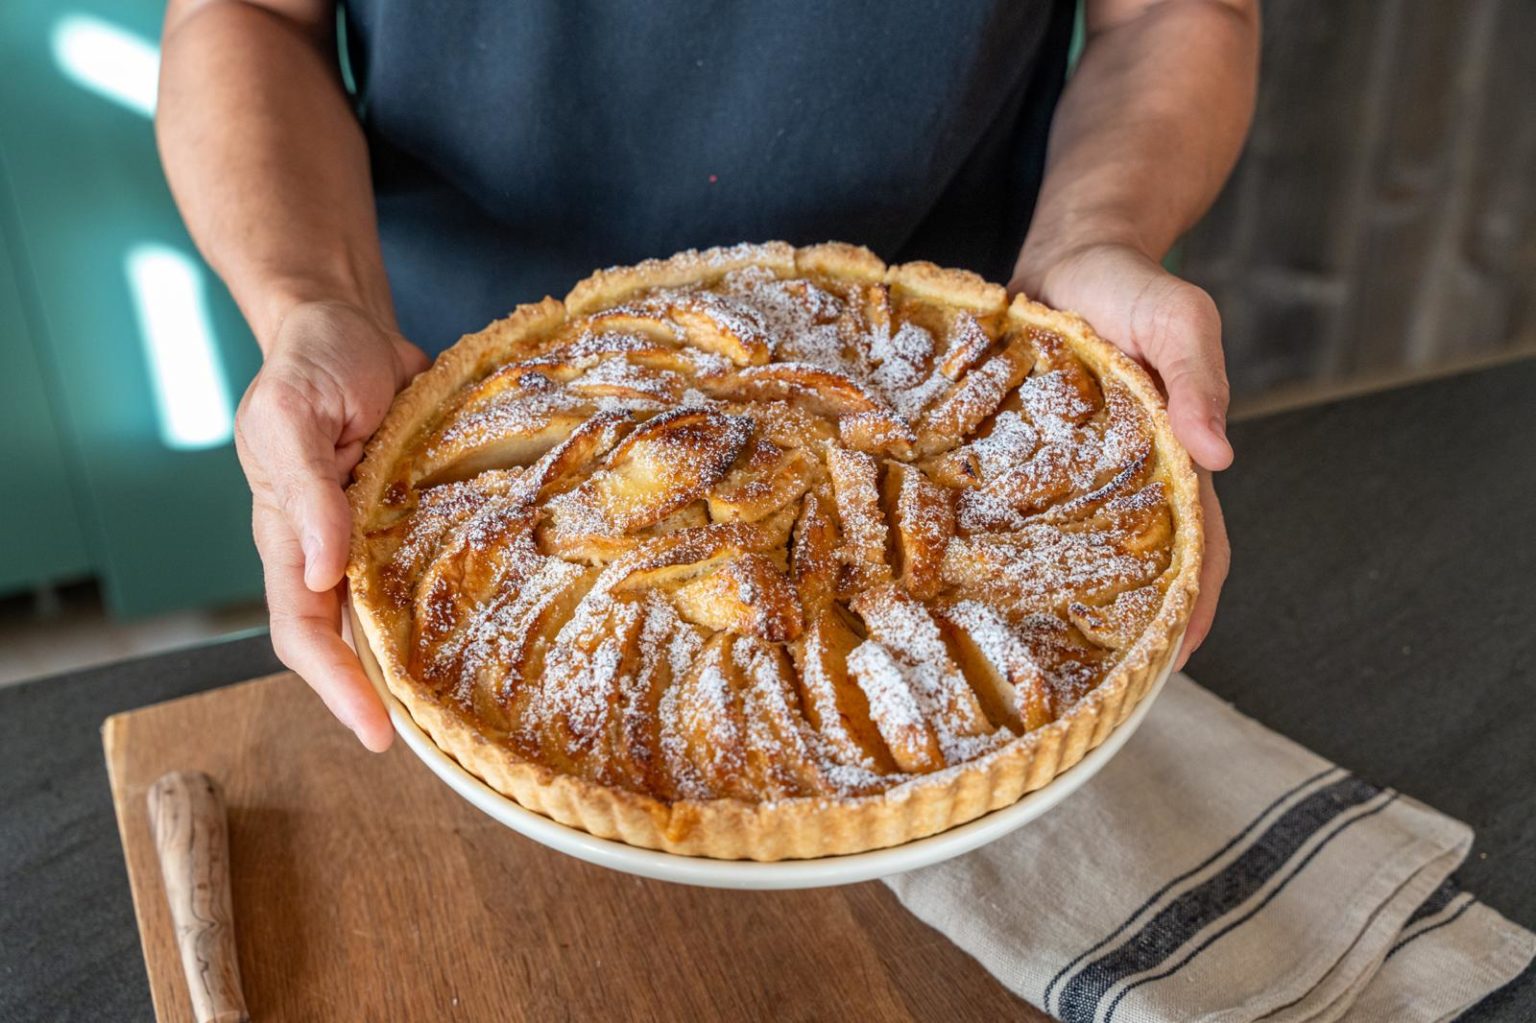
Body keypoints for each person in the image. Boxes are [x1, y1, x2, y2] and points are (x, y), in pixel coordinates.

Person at [158, 0, 1254, 752]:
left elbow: (1167, 11)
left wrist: (1090, 238)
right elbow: (249, 13)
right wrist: (318, 301)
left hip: (945, 401)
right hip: (466, 443)